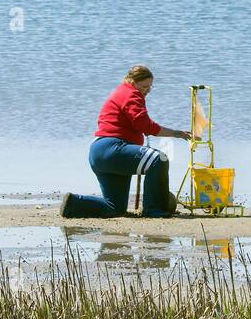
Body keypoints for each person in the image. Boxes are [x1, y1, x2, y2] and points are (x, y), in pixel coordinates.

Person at [59, 65, 190, 218]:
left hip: (99, 153)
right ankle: (154, 210)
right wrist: (176, 133)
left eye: (150, 87)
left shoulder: (120, 92)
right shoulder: (131, 94)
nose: (147, 90)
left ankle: (73, 203)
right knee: (159, 159)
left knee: (114, 207)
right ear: (132, 82)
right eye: (144, 86)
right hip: (114, 149)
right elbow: (145, 126)